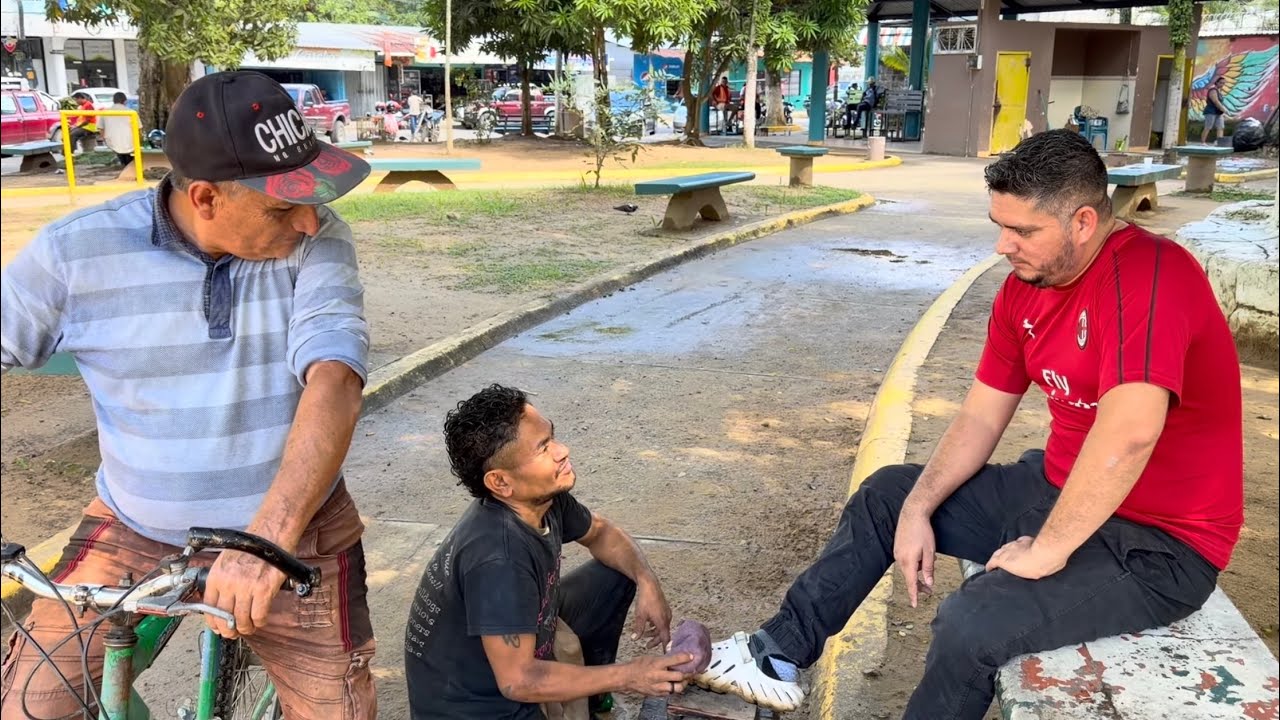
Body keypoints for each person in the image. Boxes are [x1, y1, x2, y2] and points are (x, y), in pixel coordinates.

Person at [692, 129, 1242, 718]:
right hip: (1057, 489)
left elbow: (1132, 431)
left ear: (1084, 222)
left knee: (971, 623)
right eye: (998, 226)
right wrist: (918, 508)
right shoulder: (1022, 291)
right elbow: (981, 413)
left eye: (1024, 231)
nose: (1004, 246)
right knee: (888, 495)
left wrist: (1048, 549)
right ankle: (776, 654)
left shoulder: (1150, 275)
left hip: (1159, 545)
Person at [1, 70, 378, 719]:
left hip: (294, 537)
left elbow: (335, 378)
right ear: (205, 197)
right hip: (134, 528)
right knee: (32, 706)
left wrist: (267, 541)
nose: (311, 218)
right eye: (283, 205)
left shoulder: (315, 243)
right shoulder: (73, 254)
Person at [404, 384, 694, 720]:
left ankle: (592, 699)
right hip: (482, 708)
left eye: (551, 437)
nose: (562, 450)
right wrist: (630, 675)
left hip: (520, 654)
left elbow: (603, 533)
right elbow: (519, 681)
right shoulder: (499, 557)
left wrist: (647, 580)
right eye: (543, 449)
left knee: (615, 573)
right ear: (500, 483)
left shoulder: (542, 500)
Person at [101, 91, 135, 167]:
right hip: (130, 142)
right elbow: (139, 129)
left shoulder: (105, 112)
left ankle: (125, 165)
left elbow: (101, 129)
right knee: (129, 155)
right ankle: (129, 166)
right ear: (125, 101)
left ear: (113, 101)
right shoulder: (132, 112)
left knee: (122, 155)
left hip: (112, 142)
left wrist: (104, 139)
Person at [1200, 76, 1229, 145]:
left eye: (1223, 83)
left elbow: (1220, 102)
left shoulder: (1219, 91)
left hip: (1218, 112)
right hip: (1211, 111)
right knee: (1208, 127)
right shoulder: (1213, 90)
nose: (1222, 85)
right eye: (1221, 83)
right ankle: (1203, 142)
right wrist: (1224, 109)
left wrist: (1223, 110)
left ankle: (1219, 142)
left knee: (1220, 127)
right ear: (1216, 82)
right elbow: (1215, 101)